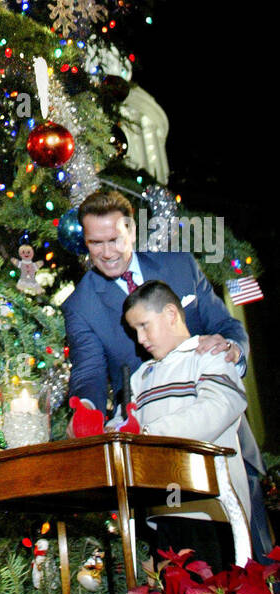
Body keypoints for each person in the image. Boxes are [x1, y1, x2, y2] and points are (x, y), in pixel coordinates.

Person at [61, 188, 272, 560]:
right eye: (96, 243)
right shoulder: (82, 304)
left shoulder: (178, 265)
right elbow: (90, 369)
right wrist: (88, 409)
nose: (107, 252)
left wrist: (233, 350)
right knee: (182, 569)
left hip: (223, 445)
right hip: (158, 465)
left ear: (132, 232)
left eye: (114, 240)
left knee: (252, 563)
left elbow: (224, 323)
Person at [113, 280, 250, 569]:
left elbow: (218, 408)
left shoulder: (211, 356)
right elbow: (125, 424)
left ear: (172, 314)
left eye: (144, 326)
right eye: (134, 330)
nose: (140, 339)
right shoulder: (141, 376)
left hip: (209, 509)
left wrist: (149, 435)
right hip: (163, 510)